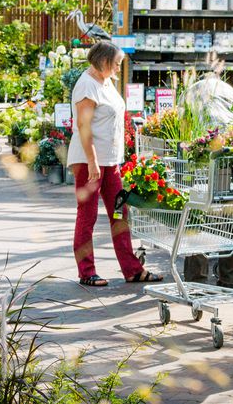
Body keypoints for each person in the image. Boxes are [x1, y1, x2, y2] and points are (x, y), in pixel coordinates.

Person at [68, 40, 162, 287]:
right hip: (90, 162)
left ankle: (132, 270)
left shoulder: (106, 82)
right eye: (117, 64)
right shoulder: (86, 85)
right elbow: (83, 126)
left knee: (120, 213)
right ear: (103, 61)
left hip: (110, 161)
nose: (119, 68)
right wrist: (92, 162)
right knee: (87, 216)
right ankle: (86, 272)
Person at [180, 70, 233, 288]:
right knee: (231, 220)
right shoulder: (231, 92)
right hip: (228, 160)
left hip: (201, 162)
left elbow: (182, 125)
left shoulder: (191, 91)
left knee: (197, 217)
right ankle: (228, 278)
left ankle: (196, 280)